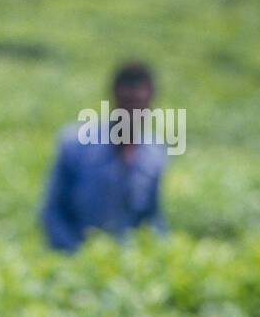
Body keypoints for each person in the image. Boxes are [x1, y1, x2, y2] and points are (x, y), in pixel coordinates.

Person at [41, 62, 169, 252]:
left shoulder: (154, 154)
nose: (133, 112)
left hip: (127, 265)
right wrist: (73, 255)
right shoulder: (76, 144)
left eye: (139, 104)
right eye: (127, 103)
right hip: (75, 257)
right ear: (114, 98)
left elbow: (152, 216)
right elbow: (53, 211)